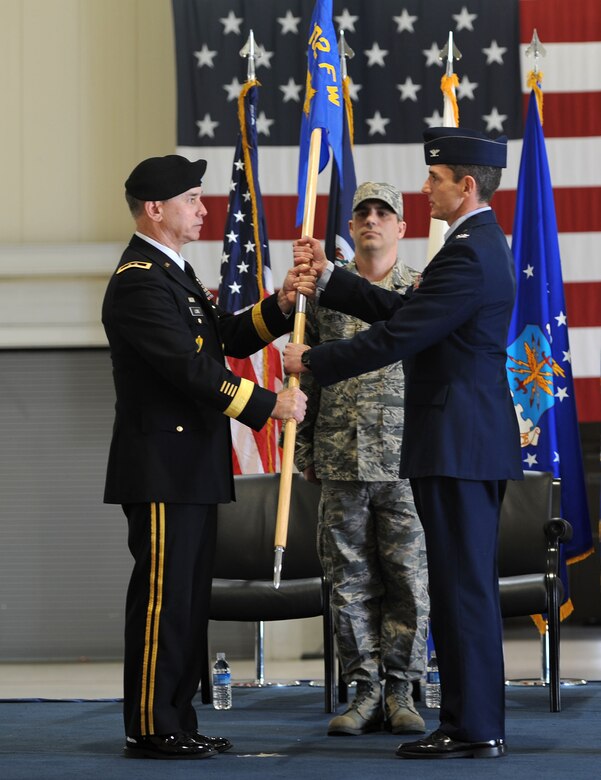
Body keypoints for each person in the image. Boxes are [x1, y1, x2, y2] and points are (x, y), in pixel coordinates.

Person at [284, 128, 522, 760]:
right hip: (458, 440)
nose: (425, 188)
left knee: (460, 587)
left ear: (465, 185)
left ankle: (473, 728)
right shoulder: (472, 245)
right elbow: (400, 310)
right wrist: (332, 279)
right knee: (457, 584)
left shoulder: (469, 252)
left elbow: (400, 336)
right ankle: (475, 723)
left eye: (435, 178)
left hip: (458, 442)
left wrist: (315, 360)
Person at [102, 154, 310, 760]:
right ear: (154, 209)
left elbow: (224, 336)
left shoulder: (174, 272)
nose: (203, 208)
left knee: (189, 600)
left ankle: (178, 718)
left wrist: (280, 301)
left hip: (191, 465)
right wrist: (269, 405)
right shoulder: (140, 279)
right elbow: (191, 371)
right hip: (164, 466)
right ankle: (151, 722)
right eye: (192, 199)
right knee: (164, 599)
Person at [294, 182, 429, 737]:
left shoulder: (421, 291)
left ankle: (402, 691)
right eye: (363, 213)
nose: (372, 220)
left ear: (401, 226)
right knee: (347, 581)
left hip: (406, 463)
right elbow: (310, 379)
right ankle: (364, 691)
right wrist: (305, 449)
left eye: (384, 212)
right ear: (351, 228)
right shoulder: (327, 298)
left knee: (408, 580)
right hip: (340, 456)